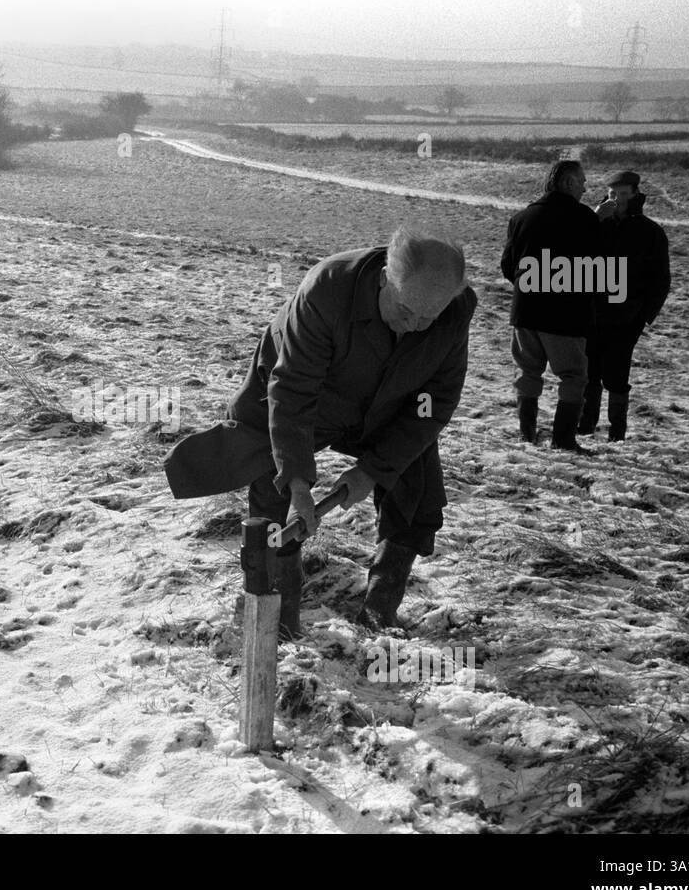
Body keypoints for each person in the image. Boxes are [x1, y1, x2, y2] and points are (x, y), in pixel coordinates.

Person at [164, 227, 476, 639]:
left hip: (388, 401)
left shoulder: (453, 311)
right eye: (406, 312)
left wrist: (372, 471)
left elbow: (434, 404)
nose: (416, 326)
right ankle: (276, 607)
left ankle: (381, 607)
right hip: (307, 392)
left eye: (427, 317)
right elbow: (292, 390)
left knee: (416, 481)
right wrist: (298, 485)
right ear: (385, 277)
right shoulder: (328, 289)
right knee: (270, 477)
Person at [500, 160, 603, 453]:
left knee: (528, 372)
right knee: (572, 375)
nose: (585, 186)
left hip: (525, 309)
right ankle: (563, 439)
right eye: (582, 181)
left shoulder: (521, 218)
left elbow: (508, 266)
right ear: (568, 183)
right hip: (565, 314)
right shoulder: (585, 219)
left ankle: (526, 434)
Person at [579, 170, 671, 442]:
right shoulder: (596, 225)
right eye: (611, 194)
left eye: (622, 195)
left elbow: (660, 279)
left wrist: (644, 317)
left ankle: (617, 432)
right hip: (592, 313)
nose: (616, 200)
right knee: (589, 373)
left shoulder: (650, 232)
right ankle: (586, 426)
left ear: (635, 196)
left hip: (626, 318)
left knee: (617, 376)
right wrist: (594, 221)